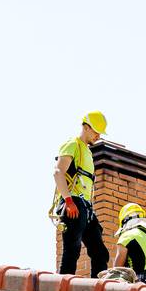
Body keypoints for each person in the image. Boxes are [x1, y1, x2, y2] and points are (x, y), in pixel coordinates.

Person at [52, 111, 110, 276]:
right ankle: (63, 288)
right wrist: (68, 201)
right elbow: (58, 172)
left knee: (100, 253)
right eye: (96, 131)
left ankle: (97, 290)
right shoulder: (73, 144)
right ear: (86, 127)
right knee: (72, 249)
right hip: (74, 203)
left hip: (86, 208)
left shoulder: (89, 153)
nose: (98, 135)